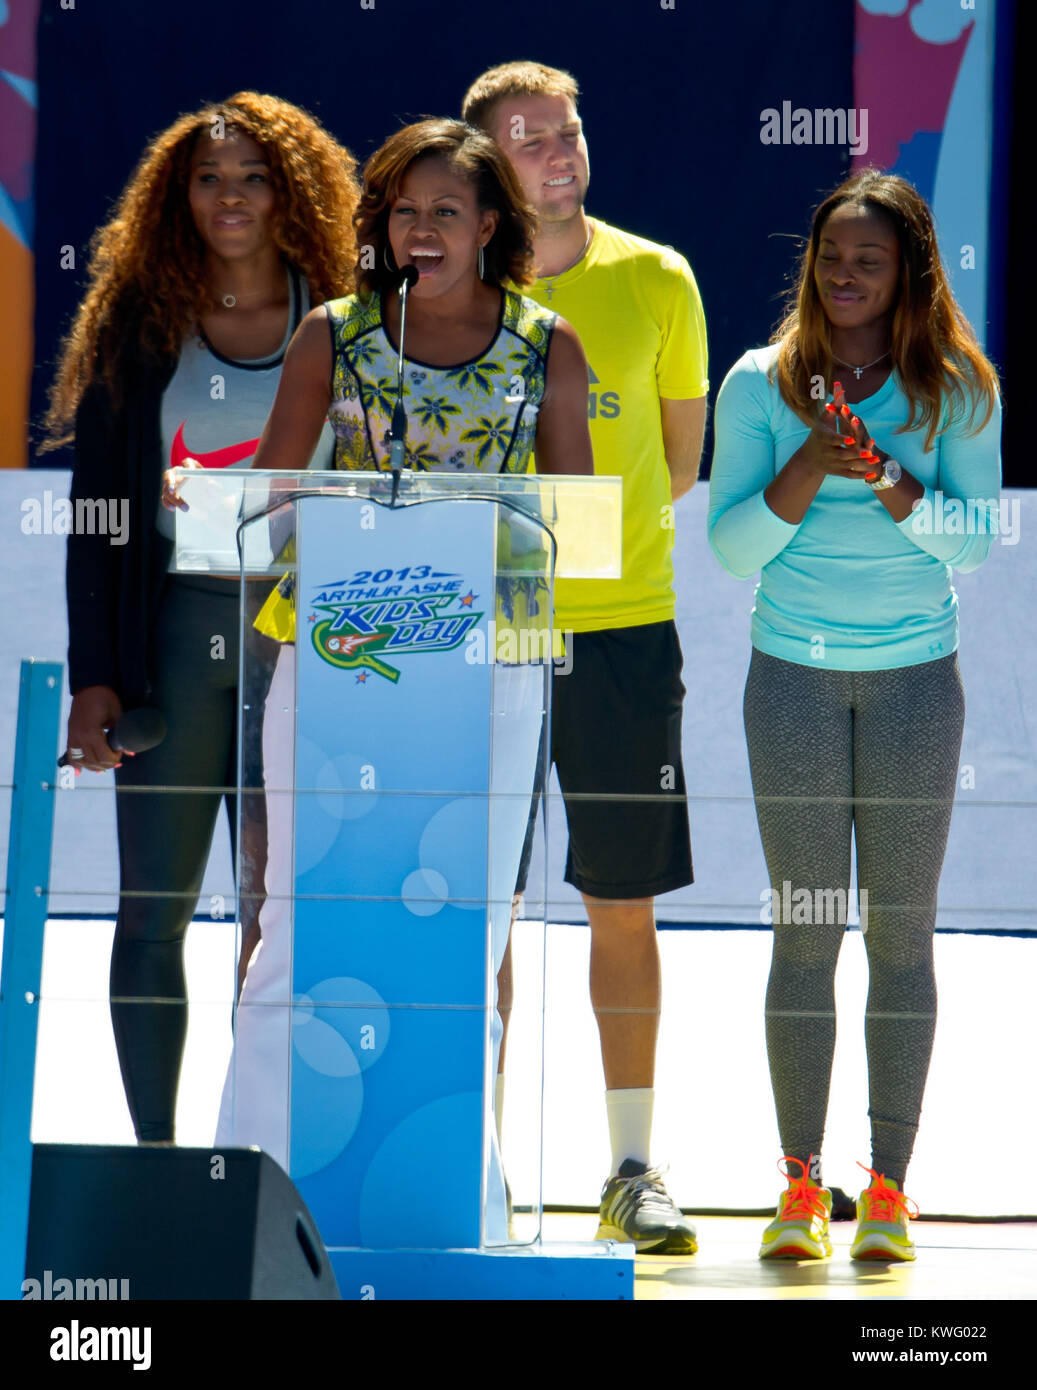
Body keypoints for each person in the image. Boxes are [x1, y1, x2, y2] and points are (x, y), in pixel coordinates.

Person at [214, 117, 593, 1169]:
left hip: (493, 661)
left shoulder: (545, 343)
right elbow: (272, 503)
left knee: (464, 929)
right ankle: (251, 1174)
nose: (421, 230)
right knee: (296, 911)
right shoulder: (329, 335)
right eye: (403, 210)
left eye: (447, 212)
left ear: (488, 227)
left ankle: (442, 1183)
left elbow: (572, 519)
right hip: (334, 652)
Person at [44, 91, 359, 1144]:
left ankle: (263, 1150)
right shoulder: (140, 325)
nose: (231, 197)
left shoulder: (351, 318)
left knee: (283, 921)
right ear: (177, 199)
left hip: (312, 640)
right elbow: (97, 521)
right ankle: (158, 1159)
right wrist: (98, 673)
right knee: (153, 911)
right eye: (209, 179)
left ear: (293, 193)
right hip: (177, 640)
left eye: (254, 178)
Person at [708, 169, 1001, 1261]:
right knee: (805, 929)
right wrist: (805, 463)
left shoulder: (957, 388)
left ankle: (886, 1188)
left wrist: (878, 472)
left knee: (899, 937)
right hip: (787, 678)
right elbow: (732, 546)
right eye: (829, 257)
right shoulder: (754, 384)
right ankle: (796, 1187)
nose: (842, 274)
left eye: (866, 261)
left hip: (914, 684)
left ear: (908, 276)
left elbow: (973, 541)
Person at [462, 61, 707, 1253]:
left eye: (568, 132)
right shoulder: (448, 284)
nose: (558, 154)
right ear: (484, 167)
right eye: (528, 140)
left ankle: (629, 1167)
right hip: (479, 629)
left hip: (621, 630)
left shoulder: (657, 276)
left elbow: (681, 458)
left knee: (622, 904)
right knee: (480, 917)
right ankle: (478, 1167)